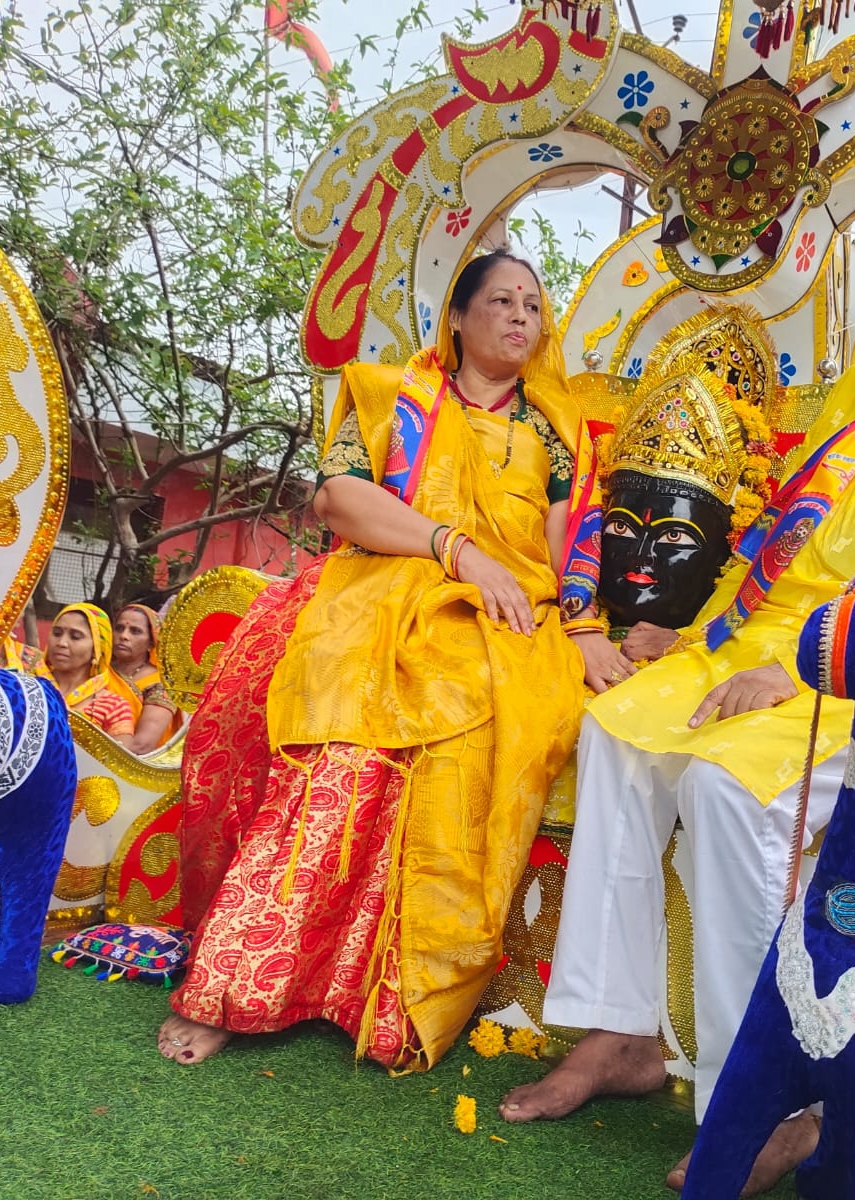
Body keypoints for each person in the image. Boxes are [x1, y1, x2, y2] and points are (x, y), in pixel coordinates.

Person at [498, 189, 855, 1193]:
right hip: (755, 647)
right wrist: (692, 634)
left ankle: (769, 1097)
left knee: (725, 791)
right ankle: (620, 1033)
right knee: (616, 736)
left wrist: (806, 667)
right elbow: (778, 539)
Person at [157, 249, 630, 1070]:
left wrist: (584, 629)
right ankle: (242, 982)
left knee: (467, 726)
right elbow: (339, 500)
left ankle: (388, 994)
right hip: (370, 600)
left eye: (533, 306)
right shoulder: (386, 398)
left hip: (502, 620)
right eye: (503, 301)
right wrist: (454, 550)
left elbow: (568, 544)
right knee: (338, 723)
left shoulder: (553, 436)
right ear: (456, 316)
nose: (522, 317)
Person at [37, 602, 137, 742]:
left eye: (75, 637)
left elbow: (115, 762)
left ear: (97, 647)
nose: (61, 643)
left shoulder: (114, 708)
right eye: (57, 633)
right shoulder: (26, 686)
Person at [111, 602, 181, 753]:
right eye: (119, 628)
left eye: (135, 631)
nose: (124, 636)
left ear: (151, 641)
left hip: (124, 765)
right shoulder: (99, 670)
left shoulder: (160, 684)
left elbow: (142, 744)